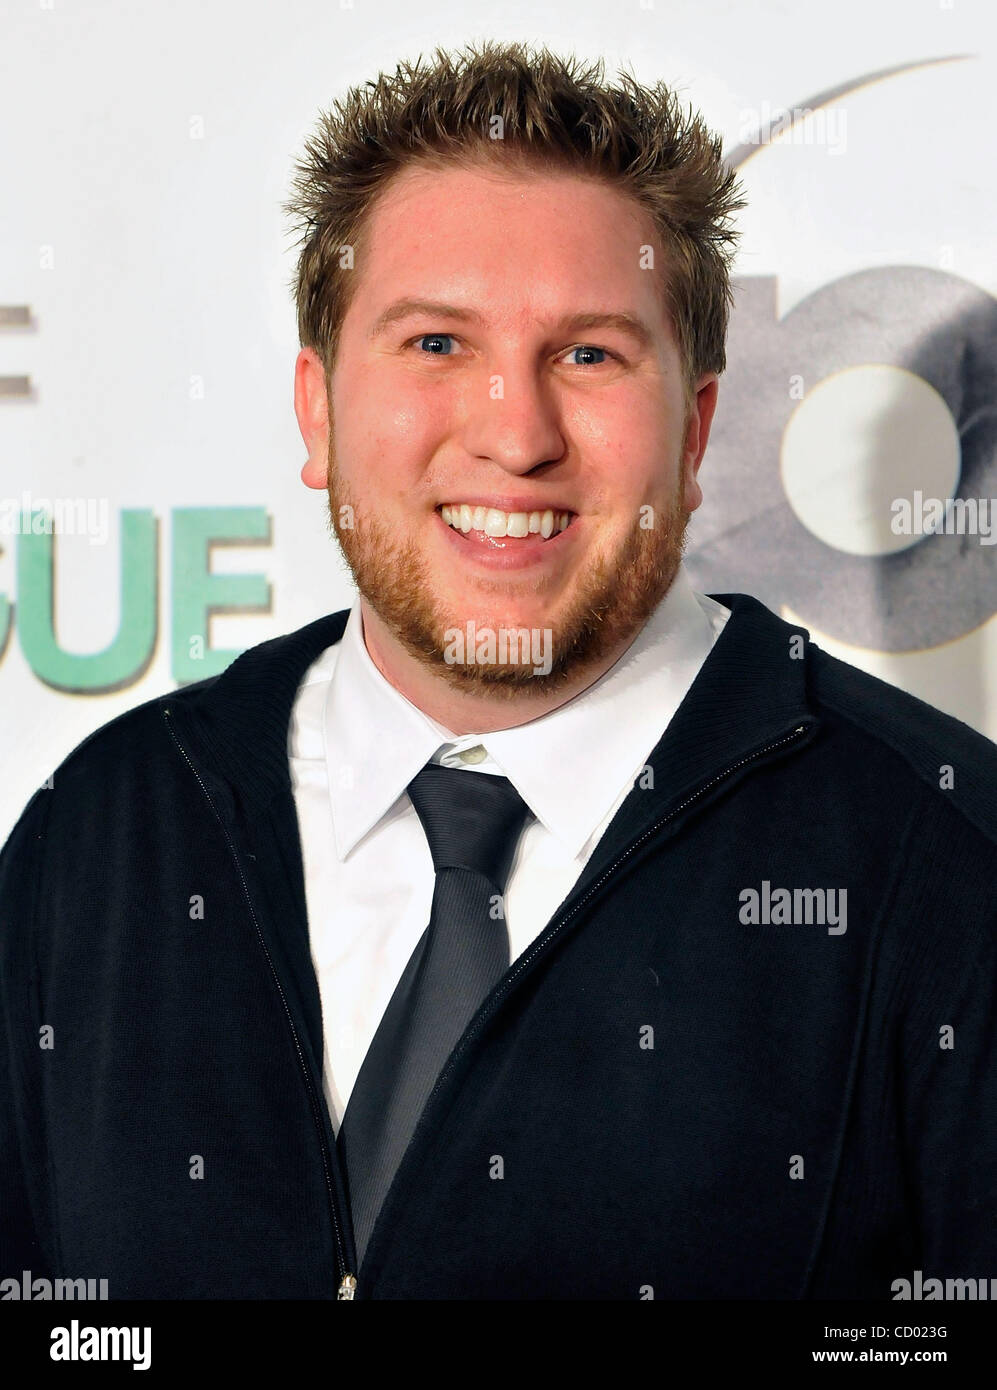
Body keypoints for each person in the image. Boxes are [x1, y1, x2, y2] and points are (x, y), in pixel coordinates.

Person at [2, 39, 996, 1303]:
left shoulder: (949, 859)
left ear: (693, 433)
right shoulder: (104, 829)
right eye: (431, 344)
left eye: (588, 355)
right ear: (317, 411)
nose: (514, 434)